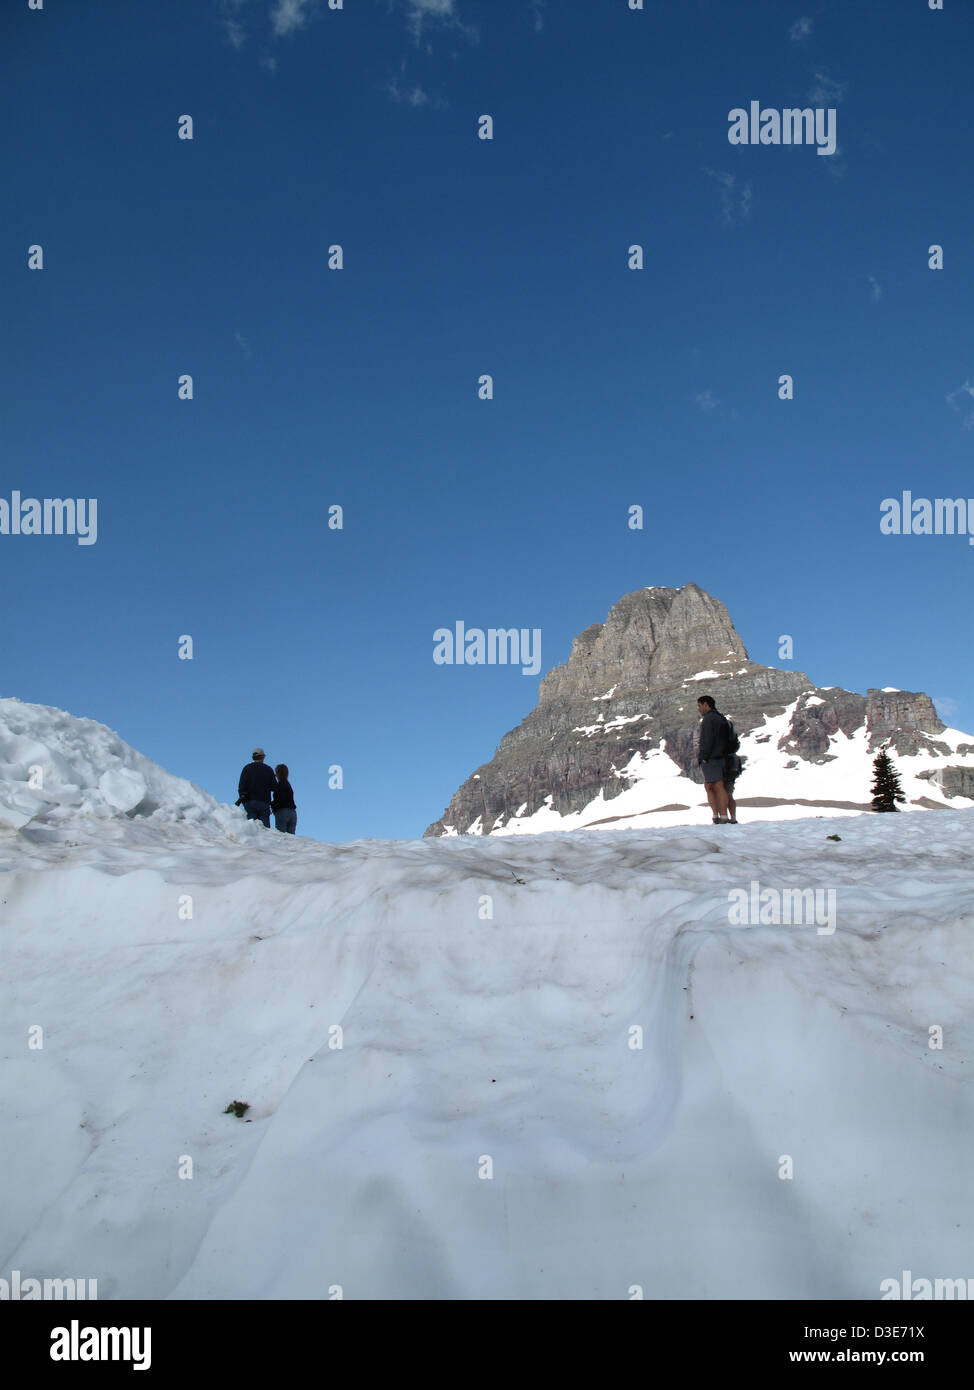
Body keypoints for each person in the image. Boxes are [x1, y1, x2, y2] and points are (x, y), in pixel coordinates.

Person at [696, 695, 732, 824]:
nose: (698, 709)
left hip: (712, 757)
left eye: (699, 706)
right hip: (722, 756)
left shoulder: (708, 719)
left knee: (716, 786)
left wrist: (703, 757)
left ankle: (720, 816)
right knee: (714, 785)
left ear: (706, 704)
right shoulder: (720, 718)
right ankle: (720, 816)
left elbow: (707, 739)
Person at [237, 748, 276, 827]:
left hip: (249, 802)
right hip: (264, 802)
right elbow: (274, 787)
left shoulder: (246, 768)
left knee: (252, 829)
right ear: (263, 757)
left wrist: (242, 798)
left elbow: (241, 786)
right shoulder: (268, 769)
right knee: (265, 829)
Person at [272, 764, 297, 834]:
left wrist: (273, 806)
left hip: (282, 811)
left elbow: (279, 799)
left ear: (277, 773)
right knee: (291, 838)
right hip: (292, 812)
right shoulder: (288, 785)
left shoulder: (279, 785)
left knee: (282, 837)